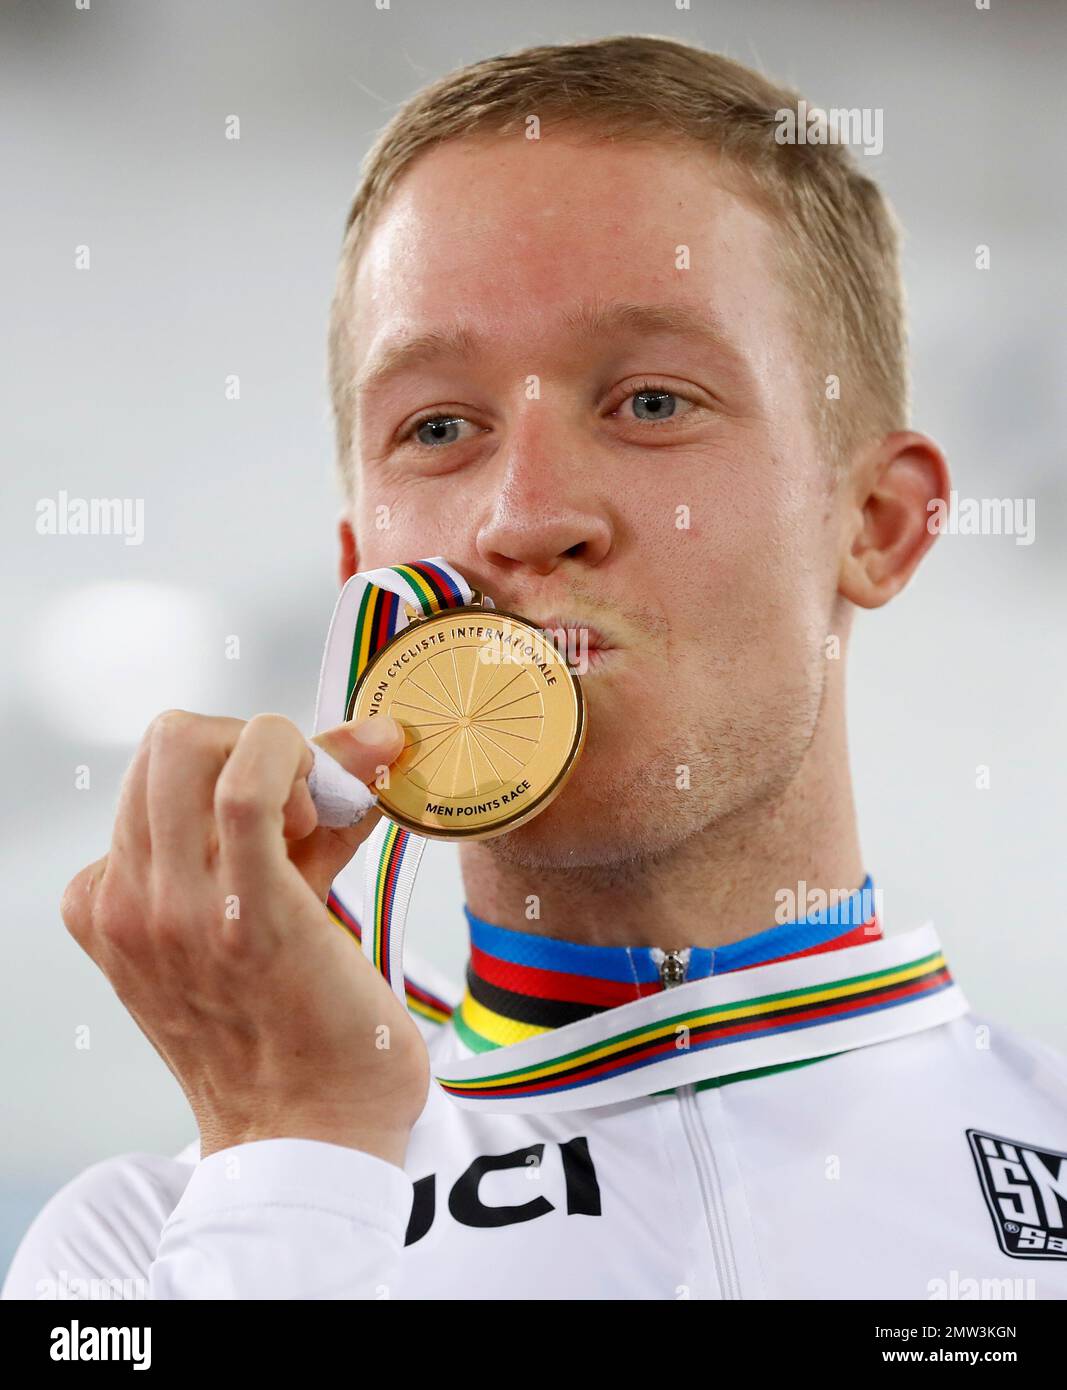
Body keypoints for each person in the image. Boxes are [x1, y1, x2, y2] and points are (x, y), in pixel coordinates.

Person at [5, 35, 1066, 1302]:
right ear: (363, 583)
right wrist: (294, 1146)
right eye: (439, 427)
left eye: (651, 401)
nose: (521, 512)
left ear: (876, 522)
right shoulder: (137, 1248)